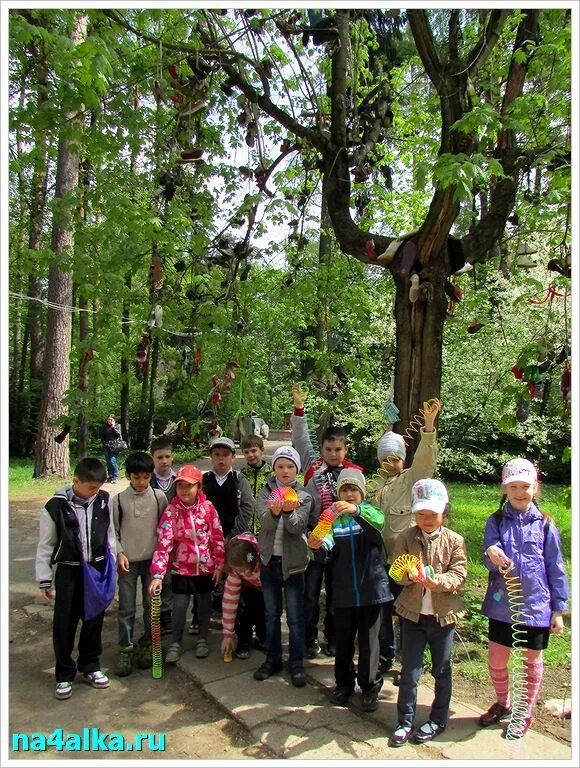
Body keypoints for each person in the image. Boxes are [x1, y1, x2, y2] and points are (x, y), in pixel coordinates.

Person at [478, 458, 568, 738]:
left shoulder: (545, 525)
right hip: (502, 606)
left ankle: (523, 711)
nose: (519, 492)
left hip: (536, 608)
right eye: (513, 486)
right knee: (496, 660)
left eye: (525, 486)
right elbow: (488, 555)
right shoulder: (495, 521)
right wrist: (493, 554)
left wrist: (558, 609)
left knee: (531, 663)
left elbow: (556, 566)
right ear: (505, 489)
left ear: (535, 487)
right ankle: (503, 702)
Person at [388, 478, 467, 747]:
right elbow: (396, 572)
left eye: (432, 514)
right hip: (412, 616)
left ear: (444, 511)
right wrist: (408, 575)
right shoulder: (406, 538)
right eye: (421, 514)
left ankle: (438, 718)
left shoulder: (455, 540)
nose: (427, 519)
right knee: (410, 671)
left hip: (442, 617)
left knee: (441, 670)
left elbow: (460, 574)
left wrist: (439, 582)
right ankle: (405, 721)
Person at [308, 468, 392, 712]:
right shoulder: (330, 517)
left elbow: (379, 523)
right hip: (343, 592)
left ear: (362, 493)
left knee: (369, 644)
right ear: (338, 493)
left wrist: (356, 511)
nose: (349, 494)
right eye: (345, 489)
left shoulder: (370, 512)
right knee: (343, 644)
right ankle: (344, 685)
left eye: (354, 489)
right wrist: (316, 543)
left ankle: (369, 687)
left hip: (372, 591)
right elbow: (324, 541)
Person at [291, 384, 363, 659]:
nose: (333, 454)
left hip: (344, 541)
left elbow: (364, 507)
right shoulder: (312, 465)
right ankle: (309, 638)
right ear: (321, 449)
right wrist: (299, 409)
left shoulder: (355, 474)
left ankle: (334, 637)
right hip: (314, 539)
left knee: (337, 593)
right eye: (328, 449)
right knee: (310, 593)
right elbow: (300, 439)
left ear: (345, 449)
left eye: (338, 449)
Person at [35, 457, 116, 700]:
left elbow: (109, 534)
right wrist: (44, 578)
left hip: (97, 569)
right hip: (69, 572)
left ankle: (90, 665)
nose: (95, 492)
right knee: (65, 623)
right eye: (91, 487)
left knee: (94, 620)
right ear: (75, 481)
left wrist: (112, 560)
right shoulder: (55, 507)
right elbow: (46, 545)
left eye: (98, 487)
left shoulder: (103, 501)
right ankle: (63, 673)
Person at [368, 400, 440, 673]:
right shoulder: (372, 485)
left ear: (403, 458)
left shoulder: (412, 479)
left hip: (406, 563)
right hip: (379, 563)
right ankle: (386, 658)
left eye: (396, 457)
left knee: (409, 615)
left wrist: (429, 427)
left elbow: (426, 461)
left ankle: (411, 663)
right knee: (384, 613)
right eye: (386, 458)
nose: (391, 463)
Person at [149, 465, 225, 663]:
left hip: (205, 569)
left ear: (199, 487)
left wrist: (218, 565)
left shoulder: (208, 509)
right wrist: (158, 574)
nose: (184, 490)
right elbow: (164, 543)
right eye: (180, 485)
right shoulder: (171, 512)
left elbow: (217, 537)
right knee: (180, 606)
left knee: (204, 604)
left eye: (189, 486)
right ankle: (175, 641)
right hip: (181, 569)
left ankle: (202, 638)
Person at [254, 446, 312, 687]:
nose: (285, 471)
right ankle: (273, 658)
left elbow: (297, 529)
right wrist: (275, 513)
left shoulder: (304, 497)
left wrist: (288, 513)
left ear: (297, 469)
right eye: (280, 466)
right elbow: (264, 522)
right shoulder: (265, 493)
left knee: (296, 618)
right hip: (269, 562)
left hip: (295, 566)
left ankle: (296, 664)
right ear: (274, 468)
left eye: (290, 466)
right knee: (271, 614)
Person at [112, 451, 168, 676]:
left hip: (152, 563)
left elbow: (165, 530)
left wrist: (162, 559)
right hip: (128, 562)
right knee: (126, 607)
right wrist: (119, 552)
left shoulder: (158, 497)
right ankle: (125, 649)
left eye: (146, 477)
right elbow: (112, 532)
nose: (142, 482)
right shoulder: (117, 500)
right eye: (137, 477)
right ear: (128, 476)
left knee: (152, 607)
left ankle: (149, 645)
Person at [220, 533, 266, 660]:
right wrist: (227, 635)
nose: (241, 573)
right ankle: (243, 641)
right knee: (246, 611)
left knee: (265, 610)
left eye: (243, 570)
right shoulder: (235, 572)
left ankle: (263, 636)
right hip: (247, 588)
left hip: (267, 588)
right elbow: (230, 601)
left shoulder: (265, 558)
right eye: (238, 571)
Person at [149, 436, 177, 635]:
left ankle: (168, 613)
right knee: (157, 576)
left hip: (175, 537)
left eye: (167, 456)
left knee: (170, 578)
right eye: (160, 457)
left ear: (172, 457)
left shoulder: (179, 481)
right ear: (153, 459)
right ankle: (155, 614)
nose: (164, 461)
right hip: (152, 536)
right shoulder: (147, 481)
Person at [202, 436, 253, 539]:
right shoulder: (203, 480)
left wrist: (233, 534)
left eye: (225, 455)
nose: (221, 458)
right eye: (217, 454)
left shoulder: (240, 480)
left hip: (234, 537)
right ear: (211, 457)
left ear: (233, 457)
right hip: (207, 537)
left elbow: (247, 507)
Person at [240, 434, 272, 534]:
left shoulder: (272, 475)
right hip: (245, 530)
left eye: (254, 450)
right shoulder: (241, 477)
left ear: (262, 450)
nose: (250, 455)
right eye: (246, 452)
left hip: (267, 529)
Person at [100, 414, 124, 484]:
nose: (109, 421)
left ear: (114, 420)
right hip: (107, 446)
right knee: (108, 462)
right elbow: (102, 436)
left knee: (112, 461)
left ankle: (115, 477)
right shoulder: (105, 427)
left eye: (111, 420)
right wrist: (104, 443)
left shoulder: (117, 426)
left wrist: (113, 427)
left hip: (115, 447)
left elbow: (118, 434)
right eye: (108, 420)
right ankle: (110, 476)